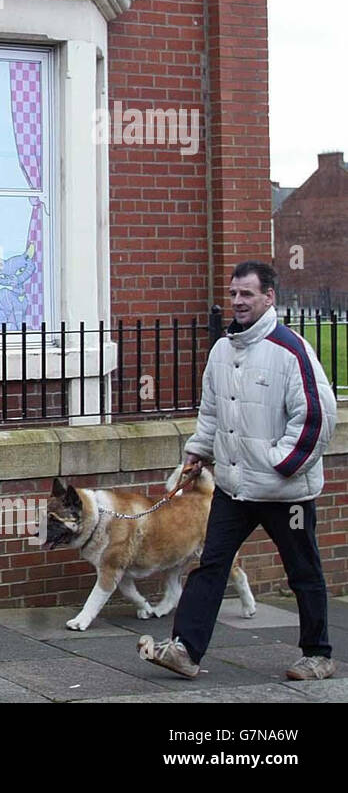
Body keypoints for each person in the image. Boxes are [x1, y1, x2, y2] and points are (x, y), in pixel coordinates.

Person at [142, 261, 337, 681]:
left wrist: (279, 465)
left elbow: (317, 418)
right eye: (233, 294)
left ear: (269, 297)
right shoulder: (222, 351)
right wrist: (197, 451)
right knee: (211, 565)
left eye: (247, 294)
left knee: (303, 571)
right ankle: (185, 651)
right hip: (233, 488)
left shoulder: (292, 350)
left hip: (286, 493)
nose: (237, 302)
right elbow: (212, 413)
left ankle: (318, 654)